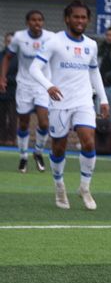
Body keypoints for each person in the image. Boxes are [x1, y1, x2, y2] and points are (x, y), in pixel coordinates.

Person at [28, 1, 109, 210]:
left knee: (89, 142)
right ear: (67, 19)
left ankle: (84, 187)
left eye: (84, 17)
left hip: (83, 101)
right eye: (76, 17)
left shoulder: (91, 45)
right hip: (59, 102)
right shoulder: (54, 41)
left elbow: (94, 72)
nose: (80, 21)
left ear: (88, 20)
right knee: (58, 147)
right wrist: (49, 86)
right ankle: (59, 185)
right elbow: (34, 68)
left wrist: (103, 99)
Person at [2, 10, 52, 172]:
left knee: (44, 122)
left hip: (42, 84)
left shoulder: (50, 38)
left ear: (43, 22)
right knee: (23, 123)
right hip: (24, 85)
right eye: (33, 20)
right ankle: (23, 156)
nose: (37, 23)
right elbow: (7, 57)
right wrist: (2, 78)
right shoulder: (19, 37)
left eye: (40, 20)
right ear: (27, 22)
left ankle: (38, 152)